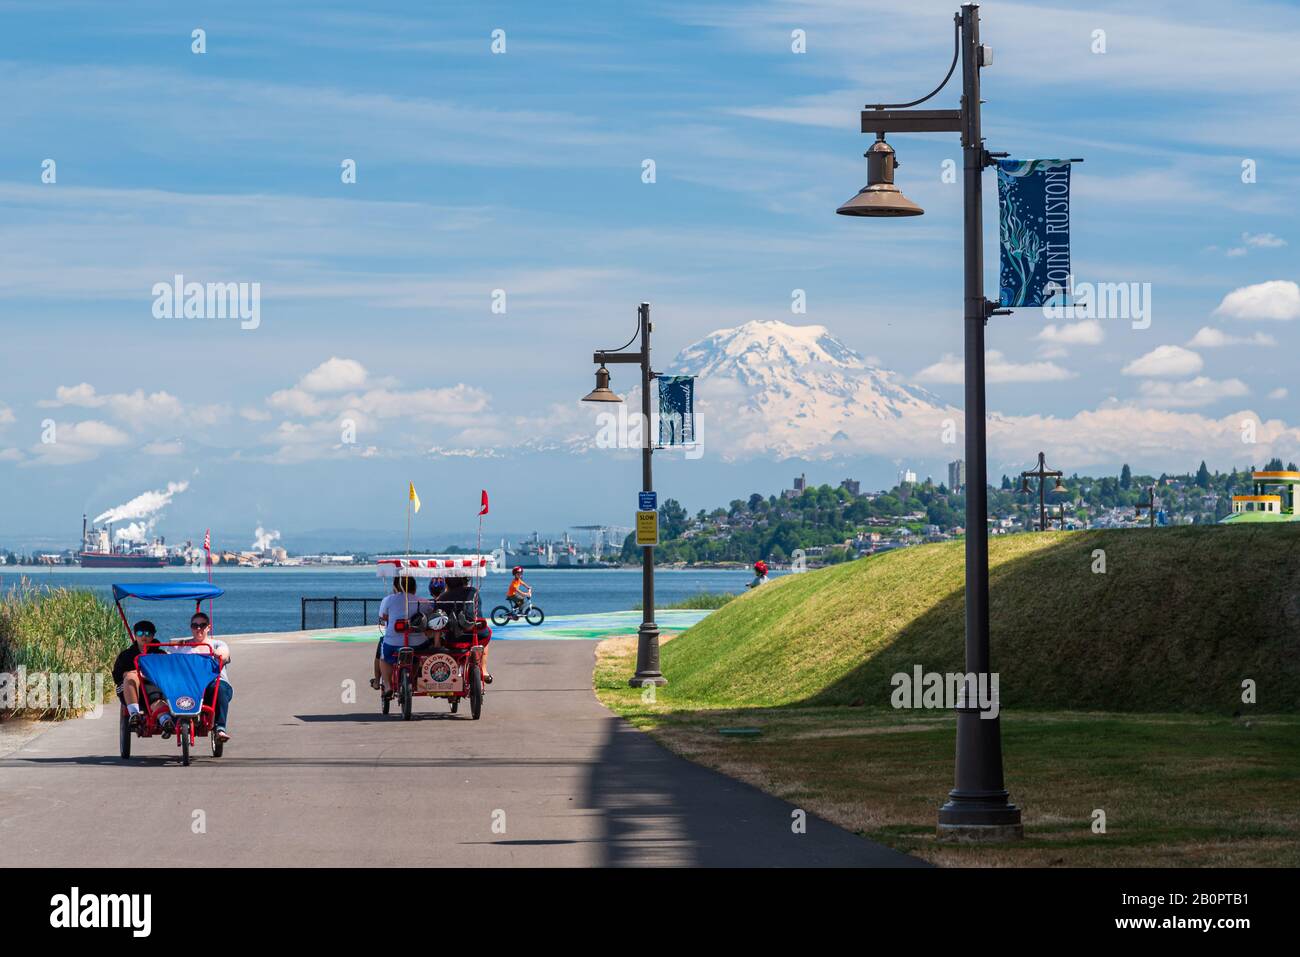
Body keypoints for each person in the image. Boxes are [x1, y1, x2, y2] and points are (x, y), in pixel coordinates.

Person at [165, 611, 233, 741]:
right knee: (172, 687)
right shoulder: (183, 646)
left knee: (219, 688)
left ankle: (220, 728)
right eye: (195, 625)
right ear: (191, 627)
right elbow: (168, 655)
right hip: (189, 685)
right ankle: (171, 721)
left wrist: (217, 654)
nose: (198, 629)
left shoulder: (217, 644)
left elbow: (224, 653)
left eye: (202, 625)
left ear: (208, 627)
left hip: (212, 684)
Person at [111, 620, 173, 735]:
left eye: (148, 633)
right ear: (135, 635)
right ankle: (134, 714)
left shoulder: (160, 654)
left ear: (153, 635)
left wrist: (148, 675)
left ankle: (165, 720)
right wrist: (132, 673)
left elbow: (167, 674)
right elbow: (117, 675)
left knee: (156, 699)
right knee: (131, 676)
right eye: (140, 633)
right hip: (129, 688)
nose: (144, 636)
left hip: (152, 688)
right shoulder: (126, 655)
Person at [376, 575, 432, 694]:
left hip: (393, 641)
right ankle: (411, 679)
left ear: (395, 587)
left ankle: (387, 686)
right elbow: (429, 616)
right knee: (416, 657)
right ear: (414, 587)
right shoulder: (423, 601)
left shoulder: (388, 600)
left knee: (384, 658)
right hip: (418, 642)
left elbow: (383, 616)